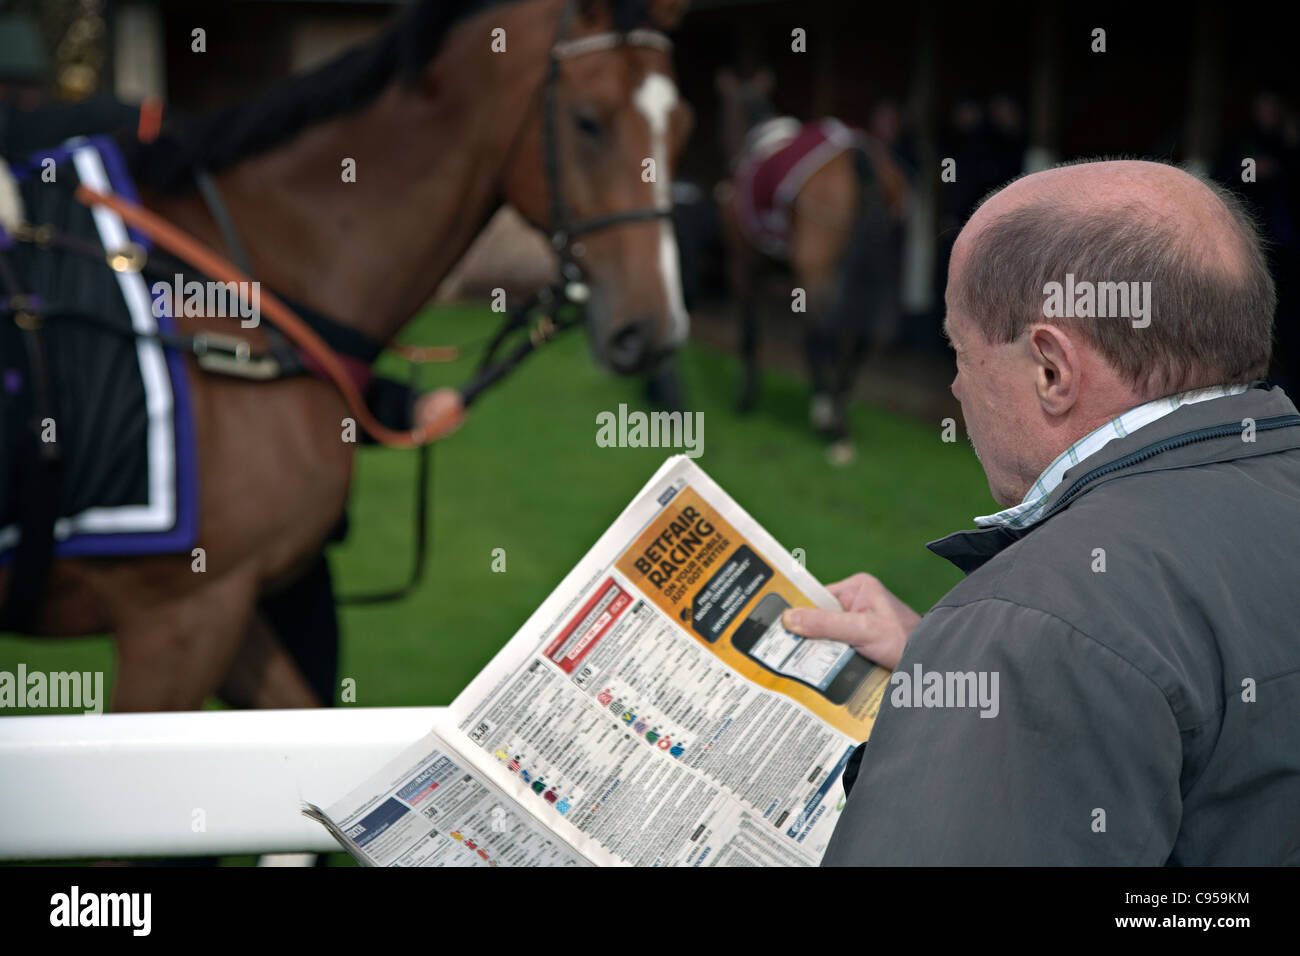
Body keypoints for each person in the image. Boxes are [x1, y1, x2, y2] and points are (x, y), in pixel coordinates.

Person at [784, 158, 1300, 865]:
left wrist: (1016, 658)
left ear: (1051, 370)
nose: (959, 388)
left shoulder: (1038, 627)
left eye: (959, 351)